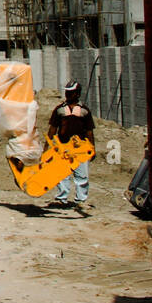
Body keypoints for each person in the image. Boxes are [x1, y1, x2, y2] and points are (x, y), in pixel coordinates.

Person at [48, 80, 95, 209]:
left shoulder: (84, 111)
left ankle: (81, 200)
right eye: (67, 92)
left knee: (82, 175)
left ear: (77, 93)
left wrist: (92, 148)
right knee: (63, 174)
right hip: (63, 147)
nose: (68, 95)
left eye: (71, 92)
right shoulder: (60, 110)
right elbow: (52, 129)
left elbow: (89, 131)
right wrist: (47, 147)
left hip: (80, 148)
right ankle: (61, 199)